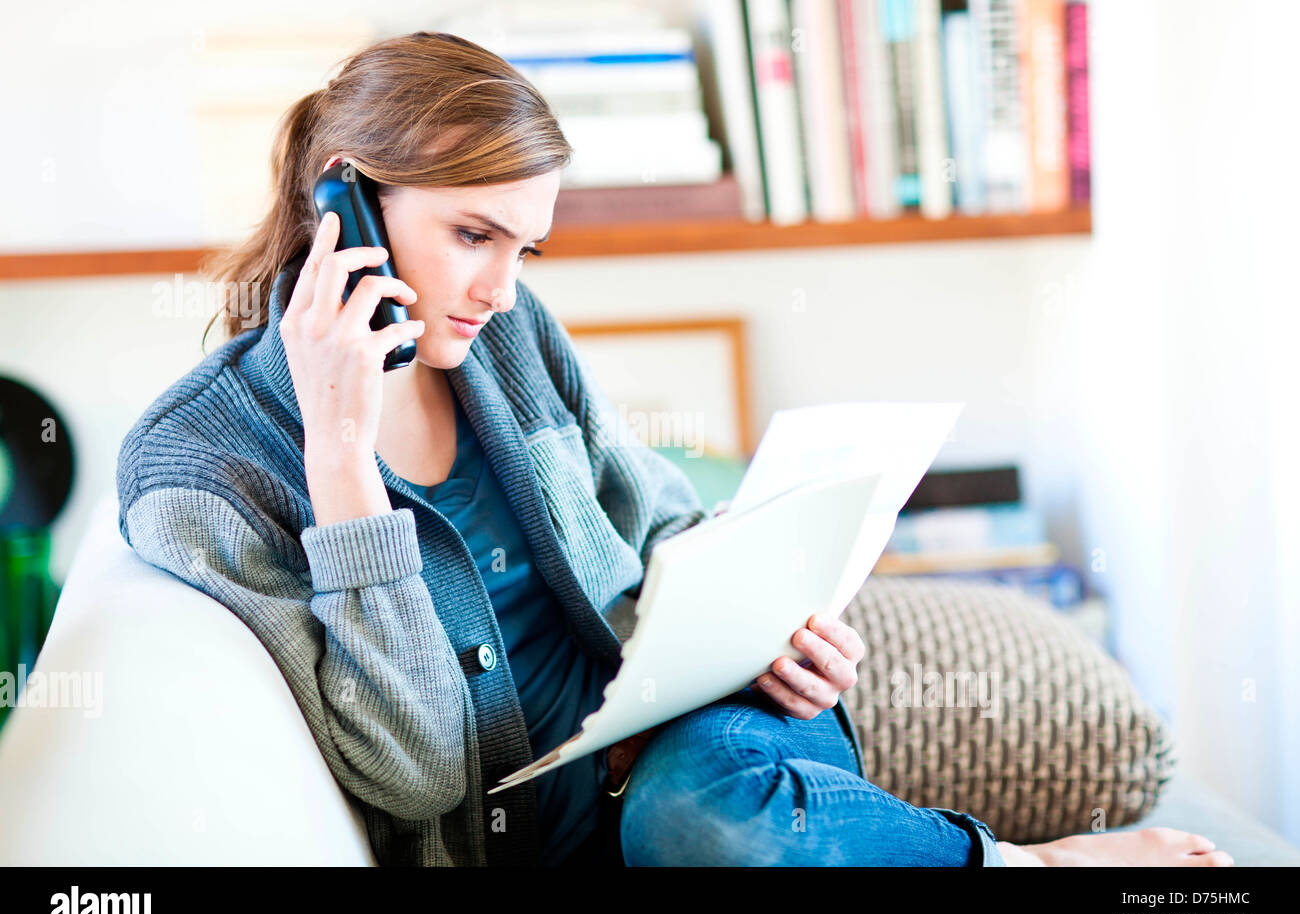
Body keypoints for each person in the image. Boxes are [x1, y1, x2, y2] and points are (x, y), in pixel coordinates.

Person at [117, 31, 1231, 868]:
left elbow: (662, 525)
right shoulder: (201, 473)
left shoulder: (505, 337)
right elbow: (409, 772)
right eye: (472, 235)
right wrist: (344, 458)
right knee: (695, 830)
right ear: (343, 206)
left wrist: (775, 631)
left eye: (524, 244)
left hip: (691, 737)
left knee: (696, 806)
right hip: (554, 835)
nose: (502, 287)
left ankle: (1015, 862)